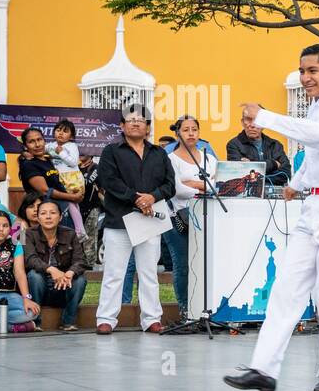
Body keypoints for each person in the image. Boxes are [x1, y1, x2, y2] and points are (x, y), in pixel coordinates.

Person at [224, 44, 319, 391]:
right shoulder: (317, 106)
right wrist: (296, 184)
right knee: (286, 289)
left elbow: (315, 136)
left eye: (313, 71)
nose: (305, 78)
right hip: (314, 207)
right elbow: (315, 154)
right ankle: (264, 370)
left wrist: (265, 117)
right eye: (302, 71)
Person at [95, 104, 175, 334]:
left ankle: (151, 319)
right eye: (131, 120)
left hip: (149, 222)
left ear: (148, 127)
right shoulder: (111, 151)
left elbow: (170, 184)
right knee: (114, 273)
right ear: (121, 126)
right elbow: (108, 180)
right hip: (119, 220)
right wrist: (136, 199)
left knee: (149, 272)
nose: (136, 123)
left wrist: (153, 197)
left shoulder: (159, 153)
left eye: (142, 120)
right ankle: (106, 319)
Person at [165, 115, 216, 313]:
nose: (191, 133)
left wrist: (192, 184)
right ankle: (185, 309)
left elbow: (217, 186)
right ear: (177, 134)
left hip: (207, 217)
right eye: (185, 130)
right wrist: (202, 185)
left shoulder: (210, 159)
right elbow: (177, 190)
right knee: (183, 264)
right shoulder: (170, 159)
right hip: (179, 218)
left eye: (194, 129)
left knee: (206, 264)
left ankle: (205, 307)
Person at [25, 198, 88, 331]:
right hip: (40, 286)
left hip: (63, 285)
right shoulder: (28, 234)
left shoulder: (70, 234)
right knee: (34, 276)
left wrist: (70, 273)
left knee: (80, 280)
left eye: (53, 213)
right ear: (38, 217)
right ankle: (35, 321)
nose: (48, 216)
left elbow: (80, 260)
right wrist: (51, 269)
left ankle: (68, 322)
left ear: (60, 217)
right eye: (43, 213)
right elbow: (30, 259)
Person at [17, 127, 83, 229]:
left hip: (58, 212)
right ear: (25, 146)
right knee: (20, 240)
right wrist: (72, 197)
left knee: (65, 240)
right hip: (38, 218)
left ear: (44, 141)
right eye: (31, 142)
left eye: (39, 140)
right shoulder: (28, 164)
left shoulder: (48, 160)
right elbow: (45, 191)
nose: (37, 144)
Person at [226, 113, 292, 185]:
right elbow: (240, 175)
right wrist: (274, 164)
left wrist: (252, 167)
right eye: (248, 120)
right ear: (242, 122)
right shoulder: (233, 145)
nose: (252, 125)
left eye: (257, 121)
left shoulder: (275, 144)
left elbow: (286, 175)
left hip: (272, 193)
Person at [47, 119, 87, 236]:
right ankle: (78, 229)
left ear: (71, 136)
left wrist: (61, 153)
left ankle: (79, 230)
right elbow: (41, 150)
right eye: (58, 130)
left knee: (71, 202)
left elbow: (74, 162)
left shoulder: (72, 146)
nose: (60, 133)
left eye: (65, 131)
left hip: (71, 179)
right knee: (69, 204)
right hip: (59, 178)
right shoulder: (51, 145)